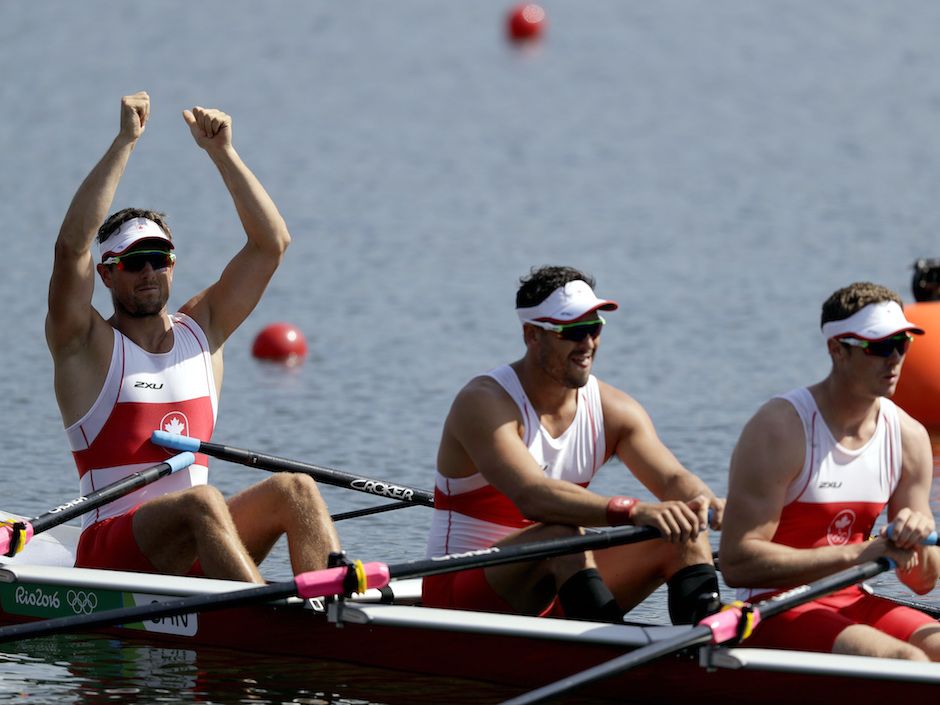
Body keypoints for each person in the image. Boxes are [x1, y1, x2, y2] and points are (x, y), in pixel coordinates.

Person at [46, 92, 340, 582]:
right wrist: (125, 142)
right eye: (132, 263)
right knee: (204, 501)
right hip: (110, 549)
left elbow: (271, 245)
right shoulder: (85, 344)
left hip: (198, 537)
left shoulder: (203, 330)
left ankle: (332, 609)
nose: (148, 273)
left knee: (297, 489)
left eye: (158, 260)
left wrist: (222, 153)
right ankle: (264, 623)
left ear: (173, 265)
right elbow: (70, 247)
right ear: (106, 275)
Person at [423, 265, 724, 624]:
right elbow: (532, 495)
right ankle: (606, 655)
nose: (588, 344)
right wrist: (633, 510)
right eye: (573, 331)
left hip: (558, 581)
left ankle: (707, 647)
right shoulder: (485, 402)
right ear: (532, 335)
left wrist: (702, 500)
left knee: (684, 531)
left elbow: (673, 478)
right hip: (459, 593)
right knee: (562, 534)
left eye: (594, 328)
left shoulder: (616, 410)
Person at [720, 282, 940, 660]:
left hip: (853, 599)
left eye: (902, 344)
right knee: (909, 662)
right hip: (776, 607)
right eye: (879, 347)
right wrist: (863, 553)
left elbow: (922, 582)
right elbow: (737, 564)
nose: (895, 359)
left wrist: (917, 537)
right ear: (836, 349)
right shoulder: (781, 428)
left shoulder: (908, 436)